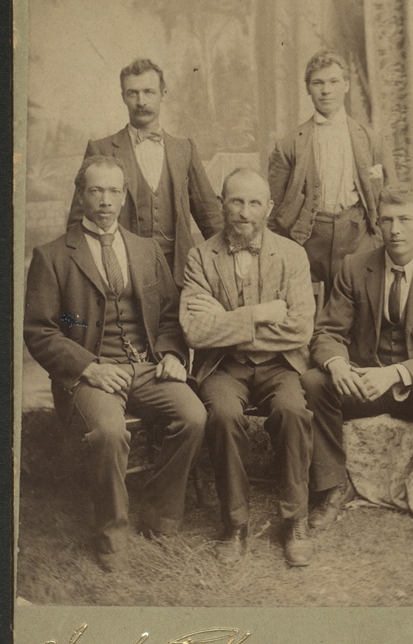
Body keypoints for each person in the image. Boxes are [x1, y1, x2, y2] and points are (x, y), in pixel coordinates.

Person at [25, 155, 207, 572]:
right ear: (81, 194)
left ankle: (160, 513)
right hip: (89, 374)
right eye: (95, 190)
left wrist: (174, 356)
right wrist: (88, 367)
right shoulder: (53, 256)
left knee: (194, 415)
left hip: (145, 366)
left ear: (124, 197)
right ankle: (111, 530)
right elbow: (40, 330)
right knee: (108, 431)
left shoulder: (145, 250)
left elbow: (168, 315)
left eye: (113, 191)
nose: (105, 200)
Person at [301, 184, 413, 565]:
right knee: (314, 382)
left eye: (405, 220)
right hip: (364, 383)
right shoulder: (354, 267)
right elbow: (327, 332)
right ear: (378, 224)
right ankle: (330, 488)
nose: (396, 229)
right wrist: (338, 364)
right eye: (388, 220)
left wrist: (396, 373)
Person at [180, 168, 315, 567]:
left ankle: (295, 521)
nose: (244, 212)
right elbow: (193, 331)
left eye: (254, 202)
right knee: (221, 413)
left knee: (292, 411)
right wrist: (257, 314)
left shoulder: (292, 255)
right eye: (236, 201)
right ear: (222, 204)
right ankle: (234, 523)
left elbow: (299, 329)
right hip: (225, 368)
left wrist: (226, 321)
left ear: (269, 208)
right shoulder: (200, 256)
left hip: (279, 366)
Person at [66, 58, 223, 287]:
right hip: (122, 273)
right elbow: (78, 221)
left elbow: (210, 217)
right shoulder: (101, 149)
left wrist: (228, 264)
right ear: (123, 97)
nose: (141, 101)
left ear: (163, 93)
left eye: (149, 92)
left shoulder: (184, 149)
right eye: (133, 93)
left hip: (178, 273)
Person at [268, 50, 397, 297]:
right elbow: (273, 210)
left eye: (333, 82)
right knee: (311, 309)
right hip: (308, 238)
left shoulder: (371, 139)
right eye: (318, 83)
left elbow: (392, 198)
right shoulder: (289, 144)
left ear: (346, 86)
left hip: (358, 236)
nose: (326, 90)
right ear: (308, 88)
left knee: (360, 306)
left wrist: (378, 239)